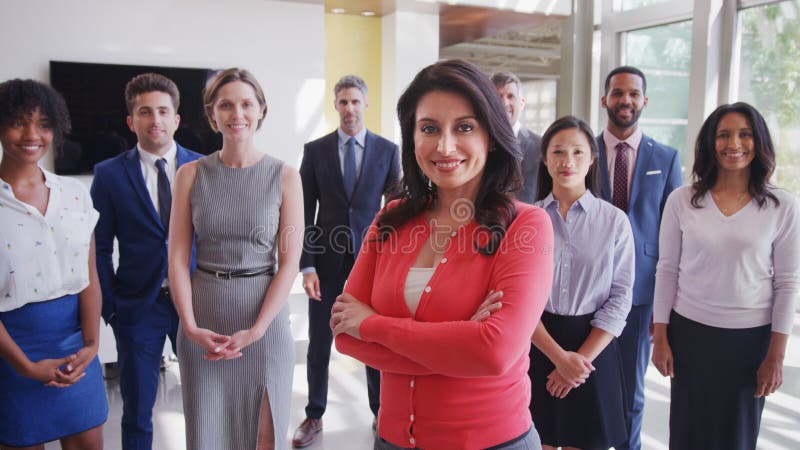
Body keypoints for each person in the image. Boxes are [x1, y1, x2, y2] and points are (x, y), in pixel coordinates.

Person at [330, 59, 554, 450]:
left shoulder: (526, 226)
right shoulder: (389, 220)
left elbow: (496, 352)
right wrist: (461, 346)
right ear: (412, 136)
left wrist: (374, 325)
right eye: (429, 128)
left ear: (491, 135)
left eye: (464, 127)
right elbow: (345, 337)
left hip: (493, 441)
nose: (445, 146)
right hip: (394, 440)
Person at [168, 68, 303, 450]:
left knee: (263, 436)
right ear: (212, 115)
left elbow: (289, 262)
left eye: (246, 104)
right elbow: (177, 259)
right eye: (225, 105)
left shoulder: (285, 176)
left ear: (261, 110)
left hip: (264, 321)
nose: (236, 113)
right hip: (204, 316)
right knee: (207, 435)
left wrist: (258, 329)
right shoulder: (190, 175)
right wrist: (191, 327)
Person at [652, 102, 799, 449]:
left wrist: (776, 356)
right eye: (724, 135)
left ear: (758, 141)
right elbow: (667, 269)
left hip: (750, 344)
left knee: (737, 438)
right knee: (688, 434)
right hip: (690, 336)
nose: (734, 144)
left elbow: (788, 282)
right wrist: (661, 336)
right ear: (710, 143)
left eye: (745, 134)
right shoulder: (682, 200)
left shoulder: (783, 206)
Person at [90, 72, 202, 450]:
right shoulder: (108, 175)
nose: (154, 120)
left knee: (206, 404)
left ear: (176, 118)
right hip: (138, 308)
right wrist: (112, 308)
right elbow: (99, 248)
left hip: (197, 305)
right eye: (144, 112)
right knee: (137, 410)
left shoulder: (204, 168)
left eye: (162, 111)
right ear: (131, 121)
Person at [294, 74, 400, 447]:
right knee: (319, 341)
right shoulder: (316, 151)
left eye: (356, 101)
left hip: (372, 264)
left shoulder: (388, 151)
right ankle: (314, 415)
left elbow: (397, 213)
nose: (349, 108)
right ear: (335, 105)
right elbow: (305, 211)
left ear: (366, 104)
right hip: (326, 262)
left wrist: (393, 264)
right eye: (343, 102)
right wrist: (306, 265)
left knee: (373, 339)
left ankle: (380, 412)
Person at [0, 79, 107, 449]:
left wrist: (92, 346)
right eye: (17, 122)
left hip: (76, 347)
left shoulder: (74, 193)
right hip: (12, 352)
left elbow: (89, 277)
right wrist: (26, 367)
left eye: (43, 124)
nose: (32, 134)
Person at [531, 116, 634, 449]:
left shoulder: (614, 221)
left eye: (577, 152)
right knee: (538, 440)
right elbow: (516, 298)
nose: (567, 161)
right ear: (545, 159)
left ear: (592, 159)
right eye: (558, 152)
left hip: (593, 350)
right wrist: (559, 358)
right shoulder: (525, 219)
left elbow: (620, 298)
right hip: (537, 345)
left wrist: (576, 362)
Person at [596, 65, 682, 450]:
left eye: (633, 94)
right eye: (617, 93)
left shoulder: (666, 157)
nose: (625, 100)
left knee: (631, 388)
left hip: (641, 292)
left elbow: (675, 235)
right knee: (588, 378)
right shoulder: (582, 150)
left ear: (644, 100)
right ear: (605, 100)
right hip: (589, 285)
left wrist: (667, 310)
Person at [492, 71, 542, 203]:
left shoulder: (540, 146)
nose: (504, 102)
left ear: (521, 102)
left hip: (526, 220)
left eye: (510, 96)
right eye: (498, 96)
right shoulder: (479, 143)